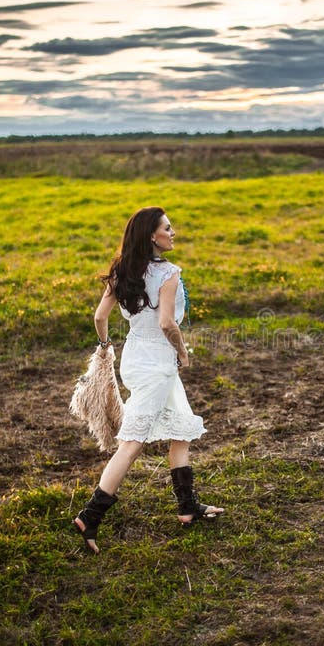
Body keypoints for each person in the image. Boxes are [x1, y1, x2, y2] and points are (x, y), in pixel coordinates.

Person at [73, 206, 223, 554]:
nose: (174, 233)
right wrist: (183, 352)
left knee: (181, 427)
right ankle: (89, 516)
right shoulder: (168, 273)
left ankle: (187, 507)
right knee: (132, 442)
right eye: (168, 228)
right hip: (158, 363)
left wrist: (105, 345)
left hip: (135, 358)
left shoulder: (122, 270)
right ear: (152, 236)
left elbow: (100, 316)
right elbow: (168, 324)